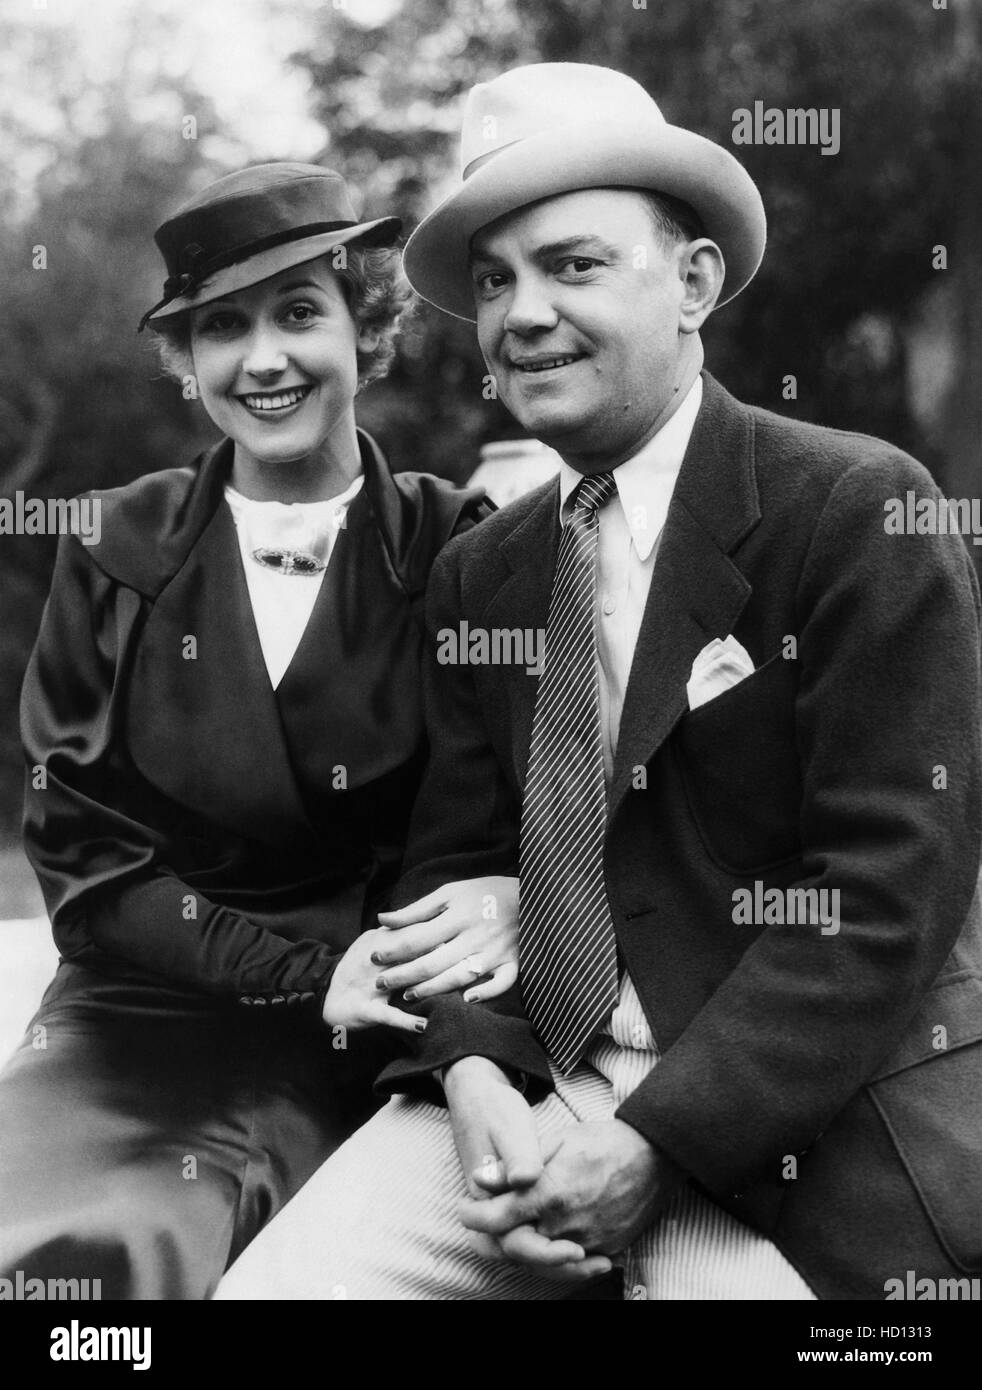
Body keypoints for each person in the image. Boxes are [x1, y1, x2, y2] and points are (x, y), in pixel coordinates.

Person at [215, 66, 982, 1302]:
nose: (520, 316)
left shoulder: (852, 507)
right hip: (526, 1089)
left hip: (782, 1116)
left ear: (689, 285)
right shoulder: (483, 572)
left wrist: (652, 1143)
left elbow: (887, 890)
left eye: (571, 266)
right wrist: (467, 1074)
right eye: (493, 282)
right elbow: (451, 863)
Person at [0, 161, 520, 1300]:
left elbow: (489, 834)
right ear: (187, 362)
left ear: (366, 329)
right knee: (35, 1261)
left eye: (298, 313)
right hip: (130, 1014)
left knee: (155, 1249)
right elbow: (85, 866)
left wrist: (384, 981)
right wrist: (298, 968)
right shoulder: (115, 547)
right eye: (222, 328)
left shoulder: (454, 546)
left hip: (352, 1029)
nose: (264, 360)